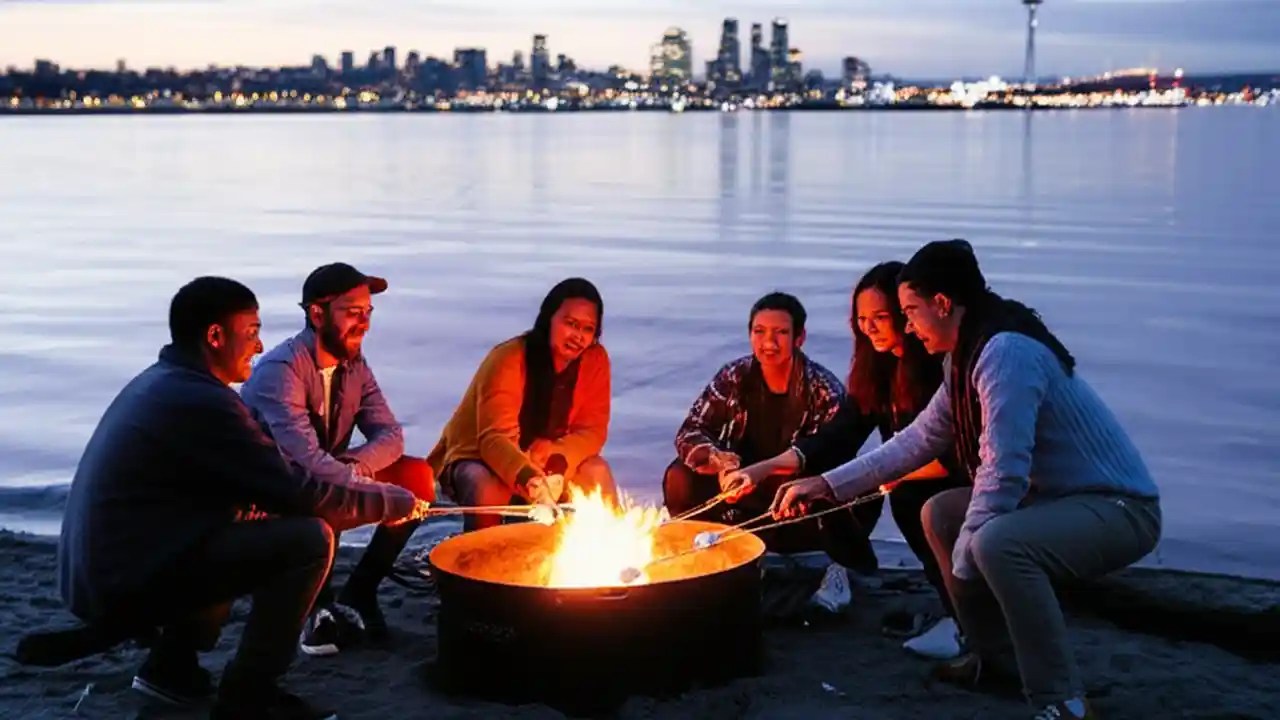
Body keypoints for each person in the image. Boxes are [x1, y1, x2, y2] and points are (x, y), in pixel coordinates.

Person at [772, 240, 1161, 720]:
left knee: (995, 543)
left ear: (942, 303)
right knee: (939, 512)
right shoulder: (966, 354)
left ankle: (1062, 700)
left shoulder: (1006, 353)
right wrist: (825, 485)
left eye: (911, 310)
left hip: (1117, 508)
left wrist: (962, 563)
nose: (908, 325)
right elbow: (913, 443)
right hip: (1055, 500)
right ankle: (993, 660)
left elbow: (1002, 473)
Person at [57, 277, 427, 720]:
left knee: (245, 519)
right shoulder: (205, 400)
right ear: (215, 336)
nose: (259, 344)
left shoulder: (170, 382)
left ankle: (170, 669)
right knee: (309, 540)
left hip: (107, 566)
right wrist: (390, 503)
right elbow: (298, 488)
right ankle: (250, 692)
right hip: (119, 581)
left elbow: (259, 484)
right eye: (251, 331)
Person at [725, 263, 969, 658]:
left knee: (910, 500)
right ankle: (856, 569)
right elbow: (839, 435)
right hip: (907, 469)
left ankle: (962, 621)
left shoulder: (932, 367)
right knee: (825, 475)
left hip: (952, 475)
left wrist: (892, 476)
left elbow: (956, 455)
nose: (869, 327)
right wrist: (767, 467)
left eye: (881, 317)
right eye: (862, 319)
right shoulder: (877, 368)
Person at [240, 263, 434, 655]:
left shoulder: (355, 364)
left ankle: (359, 592)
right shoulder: (282, 370)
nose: (363, 323)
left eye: (368, 313)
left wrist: (356, 467)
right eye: (352, 312)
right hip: (275, 494)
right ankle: (314, 607)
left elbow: (390, 434)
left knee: (418, 478)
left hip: (326, 477)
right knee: (329, 493)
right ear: (317, 313)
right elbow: (305, 461)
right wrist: (357, 481)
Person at [663, 291, 875, 614]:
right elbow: (690, 430)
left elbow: (836, 454)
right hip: (739, 495)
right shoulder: (734, 376)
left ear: (799, 338)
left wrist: (782, 477)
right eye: (759, 331)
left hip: (796, 501)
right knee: (679, 476)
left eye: (780, 333)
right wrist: (718, 460)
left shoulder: (824, 389)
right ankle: (704, 559)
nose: (769, 342)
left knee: (860, 488)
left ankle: (836, 568)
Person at [427, 277, 615, 531]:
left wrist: (556, 458)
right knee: (485, 487)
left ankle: (607, 556)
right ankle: (480, 559)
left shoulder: (596, 360)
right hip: (483, 457)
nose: (578, 337)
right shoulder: (507, 357)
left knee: (597, 472)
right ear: (548, 319)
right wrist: (531, 479)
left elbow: (592, 431)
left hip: (551, 461)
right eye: (570, 324)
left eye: (588, 329)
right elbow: (493, 440)